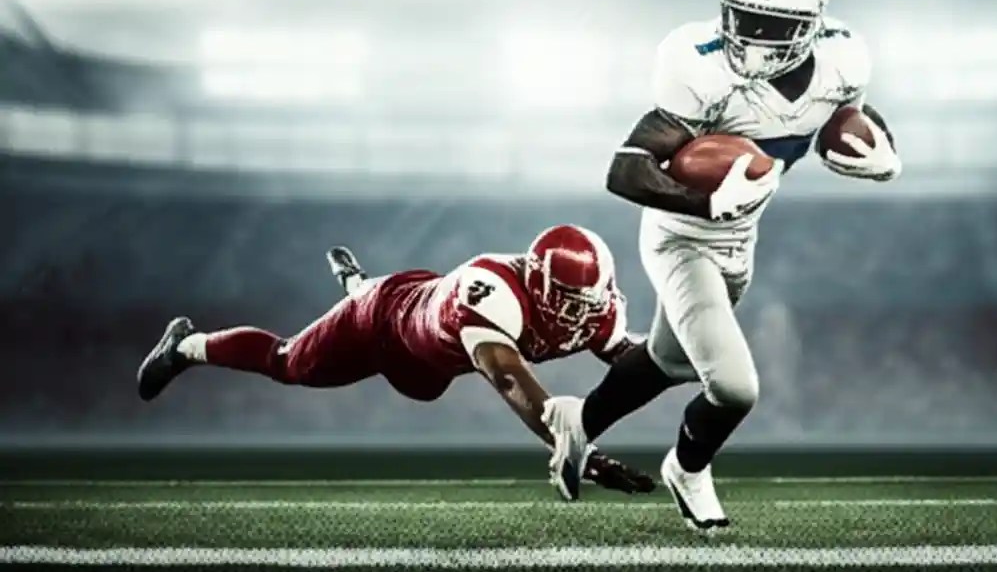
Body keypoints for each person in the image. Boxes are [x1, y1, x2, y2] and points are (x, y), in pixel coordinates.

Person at [538, 0, 902, 527]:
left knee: (666, 359)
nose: (753, 36)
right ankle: (689, 469)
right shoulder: (696, 62)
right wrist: (703, 202)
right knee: (733, 387)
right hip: (680, 236)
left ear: (812, 25)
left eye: (771, 23)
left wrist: (883, 149)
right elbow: (625, 168)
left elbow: (845, 117)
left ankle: (576, 423)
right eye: (745, 16)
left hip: (740, 238)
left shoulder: (844, 58)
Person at [137, 224, 655, 496]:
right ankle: (185, 345)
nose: (576, 313)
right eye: (564, 297)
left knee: (424, 386)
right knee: (288, 361)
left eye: (587, 299)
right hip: (381, 325)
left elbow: (633, 362)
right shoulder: (491, 291)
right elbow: (514, 381)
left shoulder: (597, 307)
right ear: (536, 279)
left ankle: (355, 281)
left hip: (425, 354)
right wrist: (584, 455)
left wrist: (684, 362)